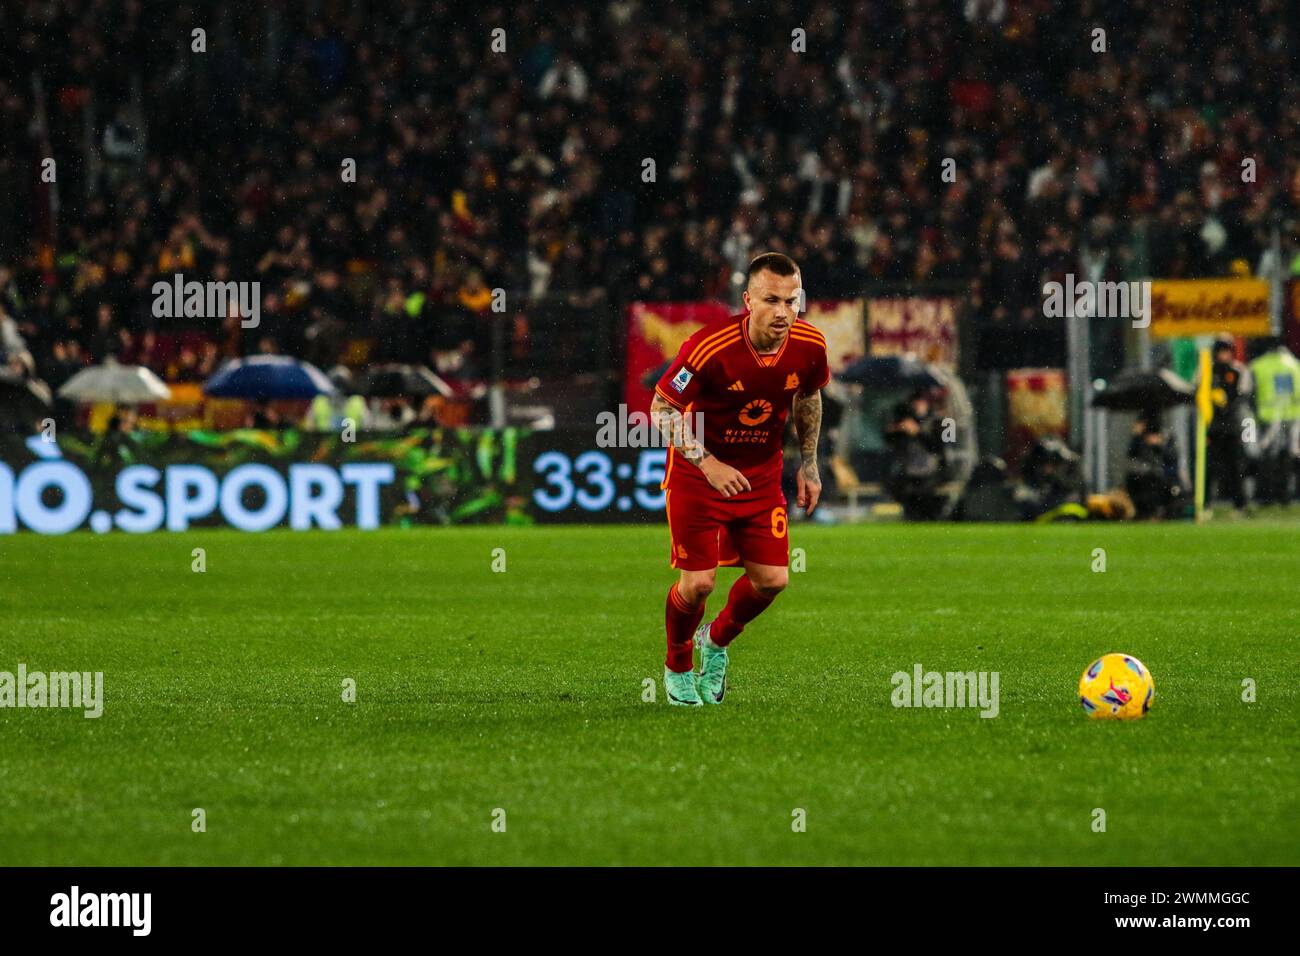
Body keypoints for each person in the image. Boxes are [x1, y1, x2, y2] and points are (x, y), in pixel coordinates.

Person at [649, 253, 829, 706]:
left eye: (792, 300)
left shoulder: (809, 345)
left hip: (761, 479)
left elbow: (809, 397)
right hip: (697, 475)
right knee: (699, 584)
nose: (784, 312)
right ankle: (677, 665)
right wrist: (707, 462)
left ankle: (717, 641)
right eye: (772, 300)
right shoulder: (708, 347)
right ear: (748, 300)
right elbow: (661, 409)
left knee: (773, 580)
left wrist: (808, 463)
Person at [1198, 336, 1253, 511]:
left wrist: (1227, 402)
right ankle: (1205, 503)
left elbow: (1243, 395)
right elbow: (1198, 391)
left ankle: (1240, 504)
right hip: (1211, 426)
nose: (1223, 355)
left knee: (1235, 466)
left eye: (1226, 351)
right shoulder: (1206, 370)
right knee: (1209, 467)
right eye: (1220, 351)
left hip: (1232, 426)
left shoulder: (1238, 370)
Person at [1247, 338, 1300, 505]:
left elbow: (1249, 392)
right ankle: (1286, 496)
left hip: (1268, 417)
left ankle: (1267, 495)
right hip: (1293, 416)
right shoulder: (1294, 364)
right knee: (1289, 456)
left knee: (1268, 457)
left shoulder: (1258, 365)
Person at [883, 389, 949, 519]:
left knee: (922, 492)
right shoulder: (907, 420)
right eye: (914, 402)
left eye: (920, 401)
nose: (917, 405)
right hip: (910, 471)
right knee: (896, 486)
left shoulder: (943, 422)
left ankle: (928, 516)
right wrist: (895, 430)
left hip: (933, 471)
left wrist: (918, 433)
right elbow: (889, 441)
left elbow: (940, 448)